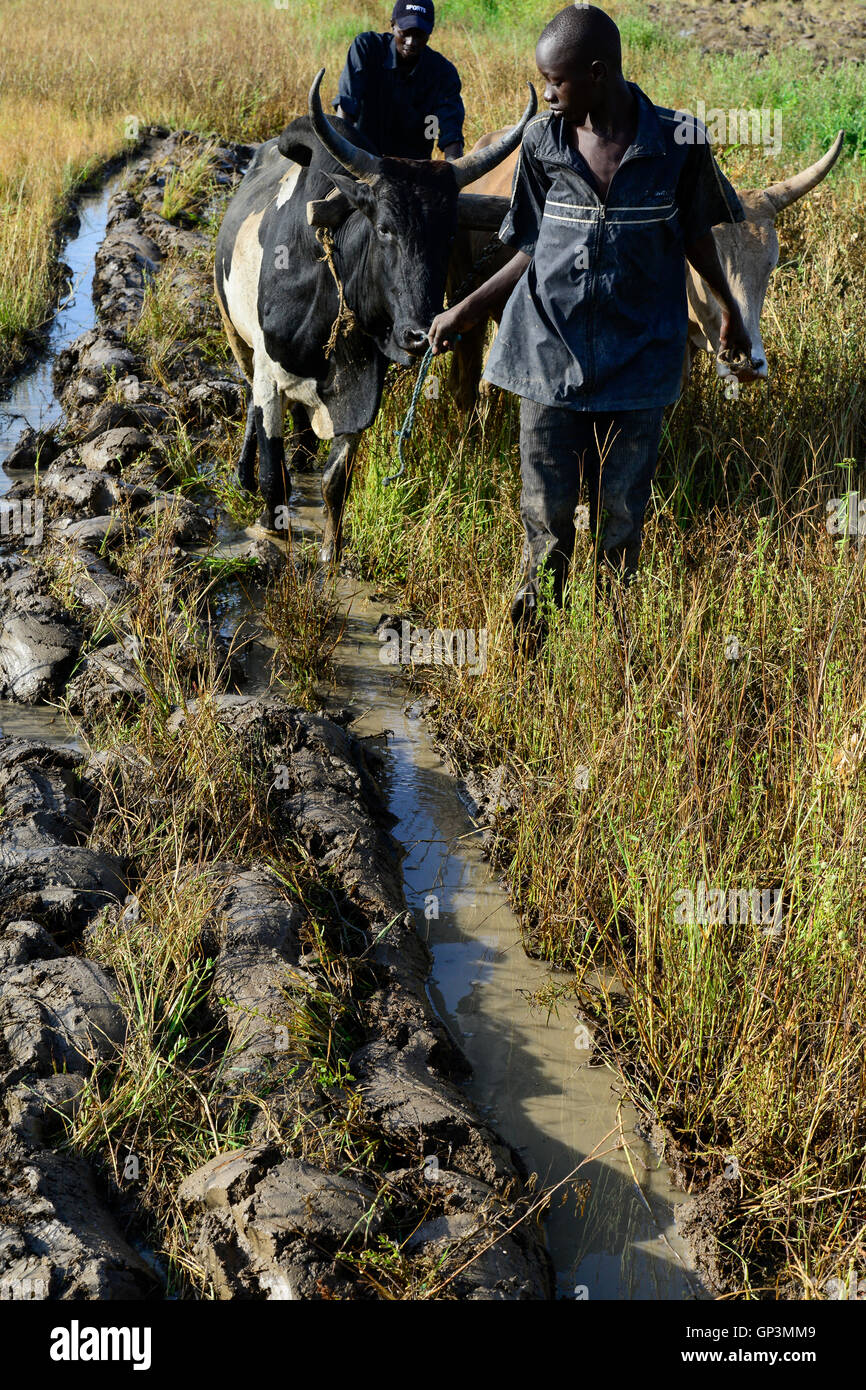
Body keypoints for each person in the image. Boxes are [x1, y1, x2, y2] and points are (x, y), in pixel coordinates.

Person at [428, 4, 755, 642]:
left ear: (598, 74)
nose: (546, 95)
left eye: (556, 81)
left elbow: (694, 235)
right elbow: (528, 245)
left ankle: (610, 646)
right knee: (546, 523)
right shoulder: (545, 140)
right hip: (550, 355)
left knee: (623, 518)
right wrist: (467, 308)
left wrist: (730, 312)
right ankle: (531, 647)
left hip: (642, 357)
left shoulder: (678, 142)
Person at [333, 0, 465, 161]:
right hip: (364, 162)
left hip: (411, 169)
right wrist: (340, 157)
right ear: (392, 25)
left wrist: (455, 172)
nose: (411, 42)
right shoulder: (367, 49)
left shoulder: (443, 72)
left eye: (419, 34)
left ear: (430, 32)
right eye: (406, 32)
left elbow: (451, 132)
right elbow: (346, 108)